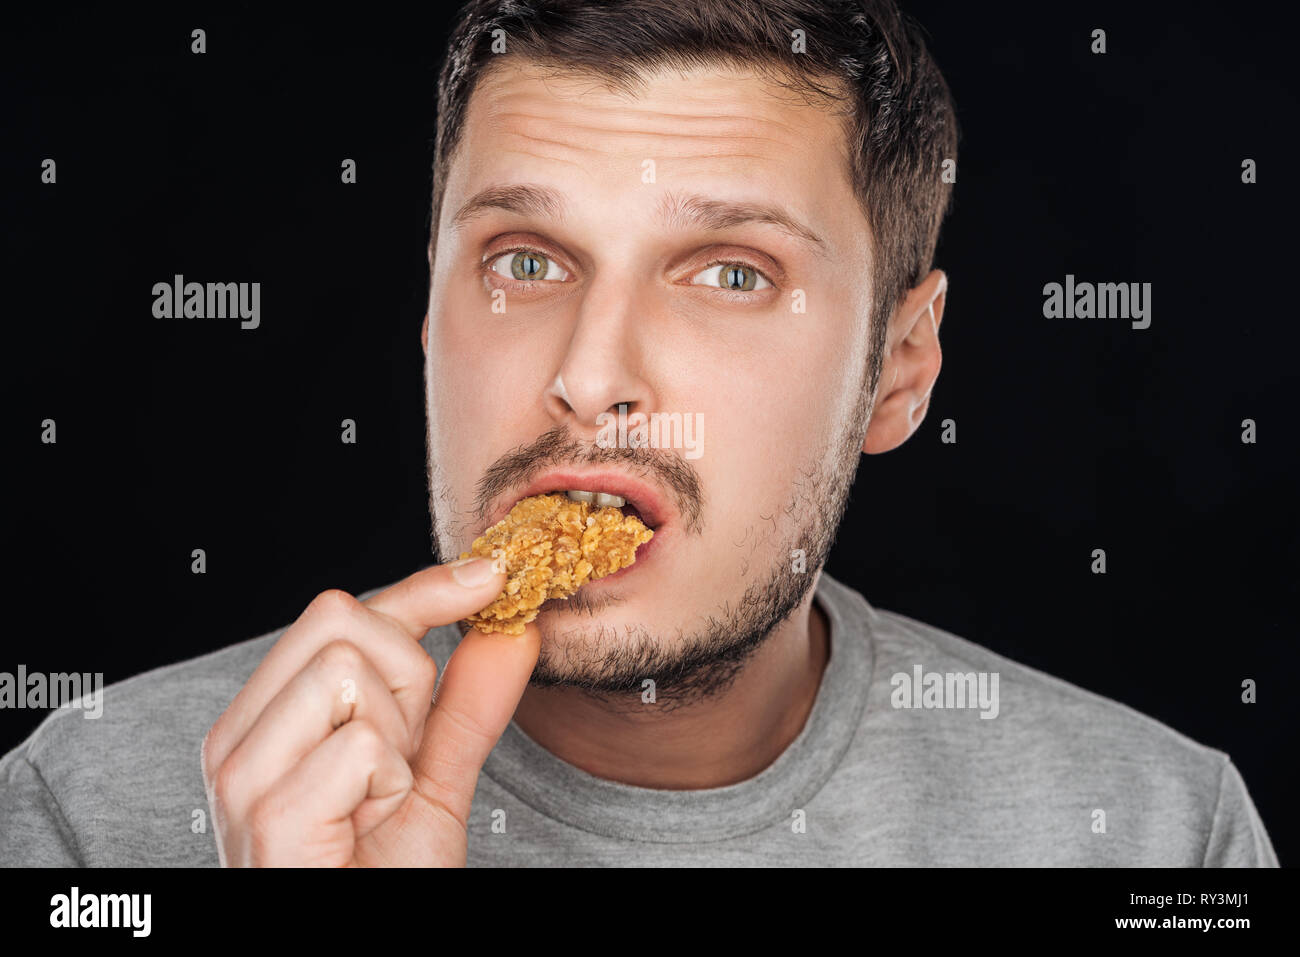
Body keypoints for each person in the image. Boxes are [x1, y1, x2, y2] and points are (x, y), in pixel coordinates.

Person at [0, 0, 1277, 866]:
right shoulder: (86, 809)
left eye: (729, 273)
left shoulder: (1162, 834)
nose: (590, 376)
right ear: (429, 317)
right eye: (525, 259)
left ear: (899, 369)